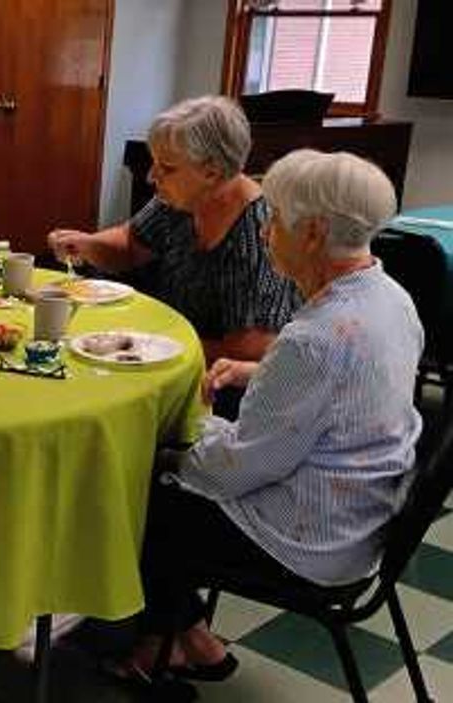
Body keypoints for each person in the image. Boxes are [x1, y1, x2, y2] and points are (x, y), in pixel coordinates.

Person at [116, 150, 422, 684]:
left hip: (314, 537)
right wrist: (259, 371)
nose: (265, 232)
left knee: (136, 491)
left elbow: (235, 469)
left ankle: (155, 646)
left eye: (276, 218)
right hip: (365, 515)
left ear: (314, 233)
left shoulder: (313, 339)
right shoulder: (390, 298)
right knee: (166, 476)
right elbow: (345, 387)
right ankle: (192, 638)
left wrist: (169, 437)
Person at [48, 96, 302, 365]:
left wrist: (153, 342)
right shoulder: (181, 200)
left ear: (212, 173)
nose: (150, 177)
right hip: (169, 349)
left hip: (219, 383)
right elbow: (132, 244)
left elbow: (251, 350)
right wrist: (87, 244)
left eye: (166, 168)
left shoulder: (258, 233)